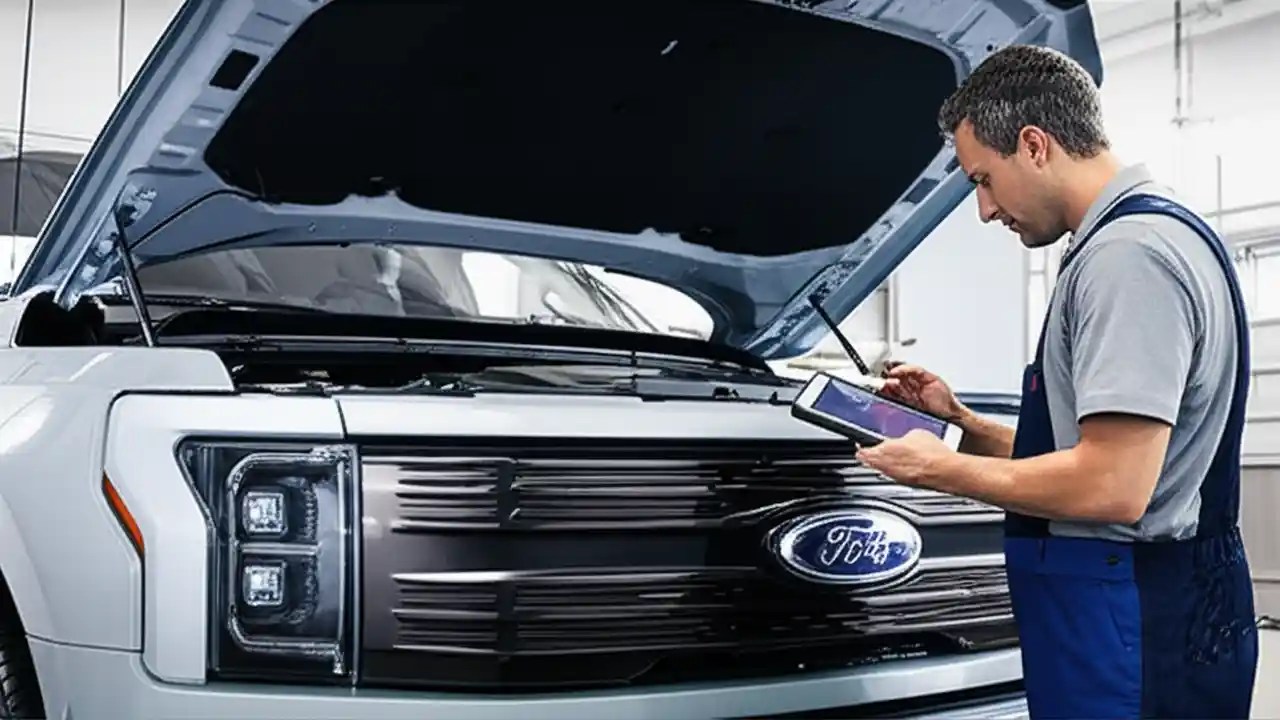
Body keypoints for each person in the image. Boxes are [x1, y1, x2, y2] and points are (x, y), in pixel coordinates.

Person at [854, 44, 1258, 719]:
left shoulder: (1127, 259)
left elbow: (1112, 486)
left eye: (982, 179)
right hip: (1159, 603)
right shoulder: (1163, 233)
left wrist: (936, 472)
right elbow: (1111, 457)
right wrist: (964, 426)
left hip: (1129, 618)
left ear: (1035, 145)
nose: (984, 210)